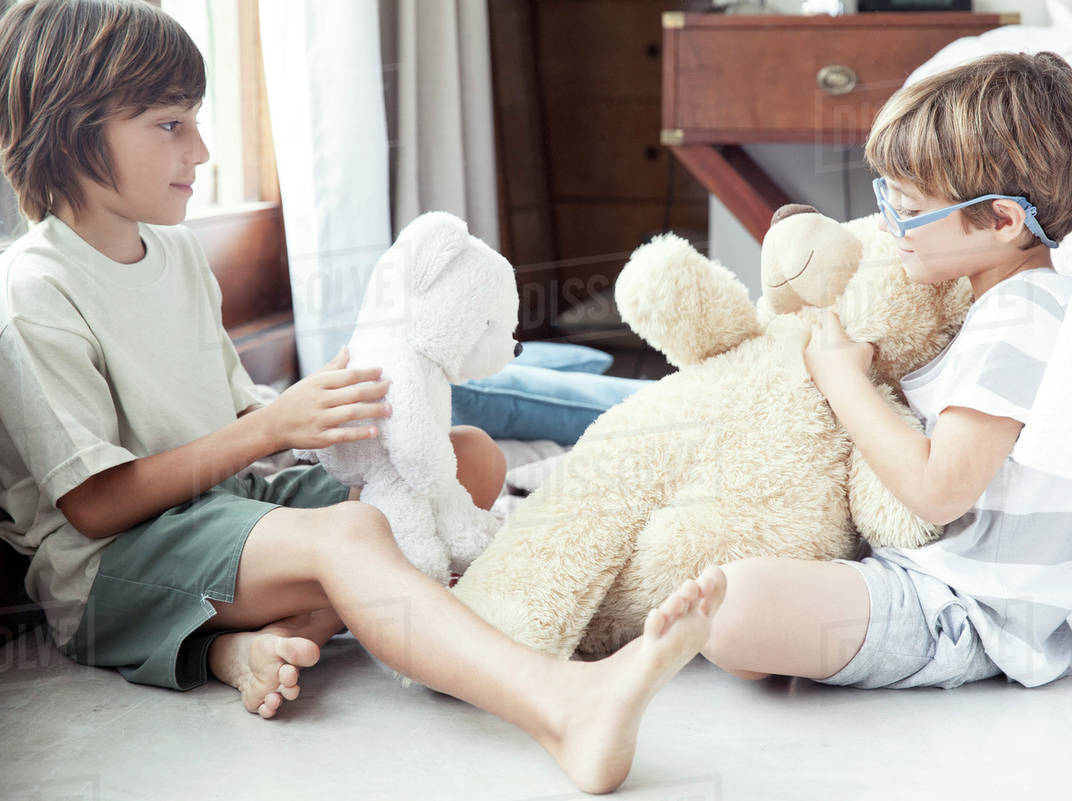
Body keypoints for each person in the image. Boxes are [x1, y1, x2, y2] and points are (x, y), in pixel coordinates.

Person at [0, 1, 725, 793]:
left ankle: (237, 645)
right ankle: (559, 703)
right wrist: (270, 428)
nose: (200, 148)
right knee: (354, 536)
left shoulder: (175, 254)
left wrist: (325, 413)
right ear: (73, 132)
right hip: (110, 571)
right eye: (170, 124)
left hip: (223, 508)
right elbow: (94, 505)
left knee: (463, 462)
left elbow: (239, 421)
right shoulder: (34, 288)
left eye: (197, 120)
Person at [700, 51, 1072, 691]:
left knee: (731, 605)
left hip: (964, 610)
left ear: (1002, 220)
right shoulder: (994, 304)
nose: (893, 226)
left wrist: (842, 378)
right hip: (928, 582)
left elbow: (939, 488)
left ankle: (648, 665)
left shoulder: (1023, 315)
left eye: (911, 208)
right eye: (887, 198)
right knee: (726, 590)